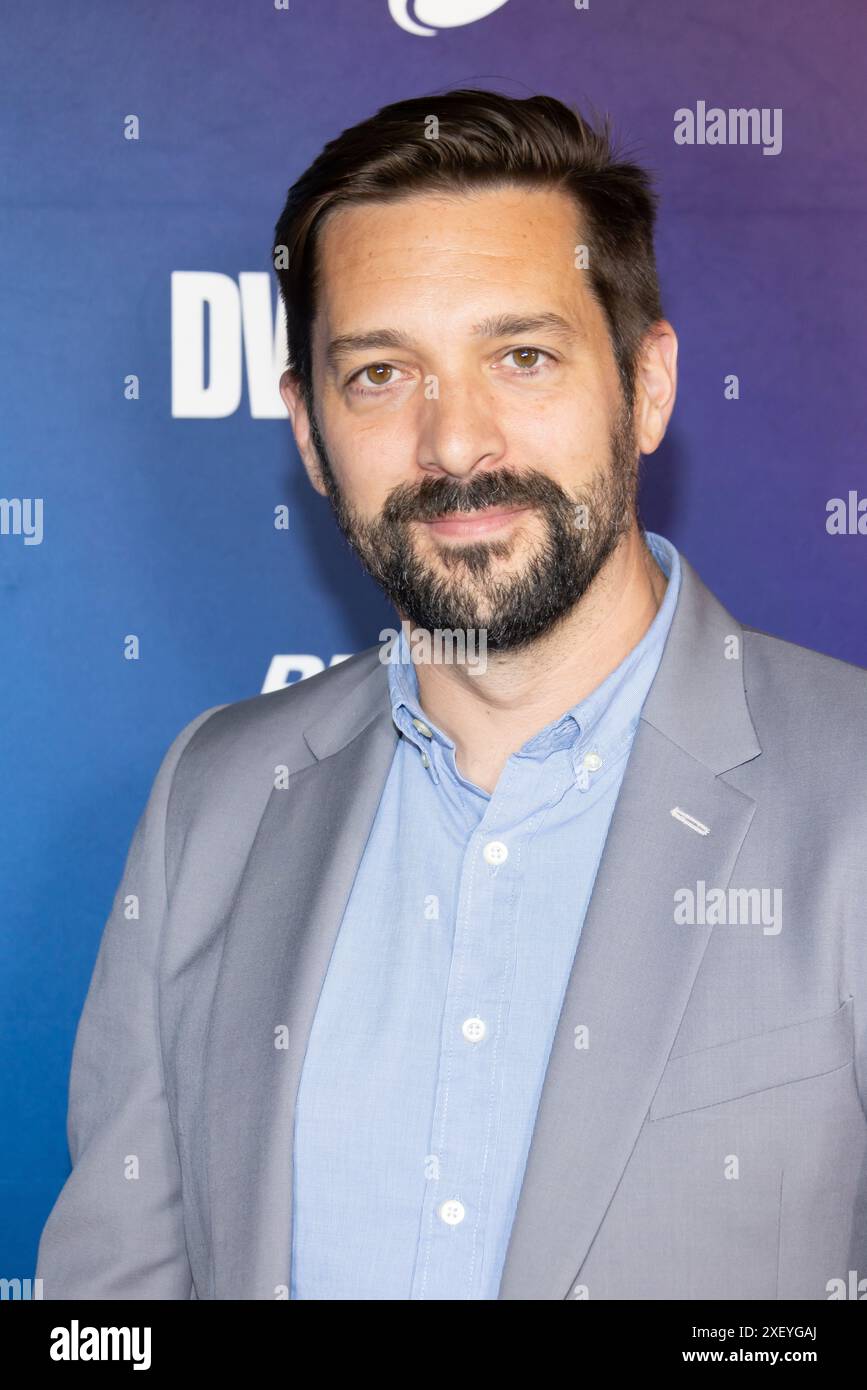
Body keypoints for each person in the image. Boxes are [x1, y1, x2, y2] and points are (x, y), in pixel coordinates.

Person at [37, 89, 867, 1301]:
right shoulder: (210, 798)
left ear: (648, 384)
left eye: (521, 357)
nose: (456, 443)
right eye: (380, 374)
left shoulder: (850, 792)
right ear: (310, 433)